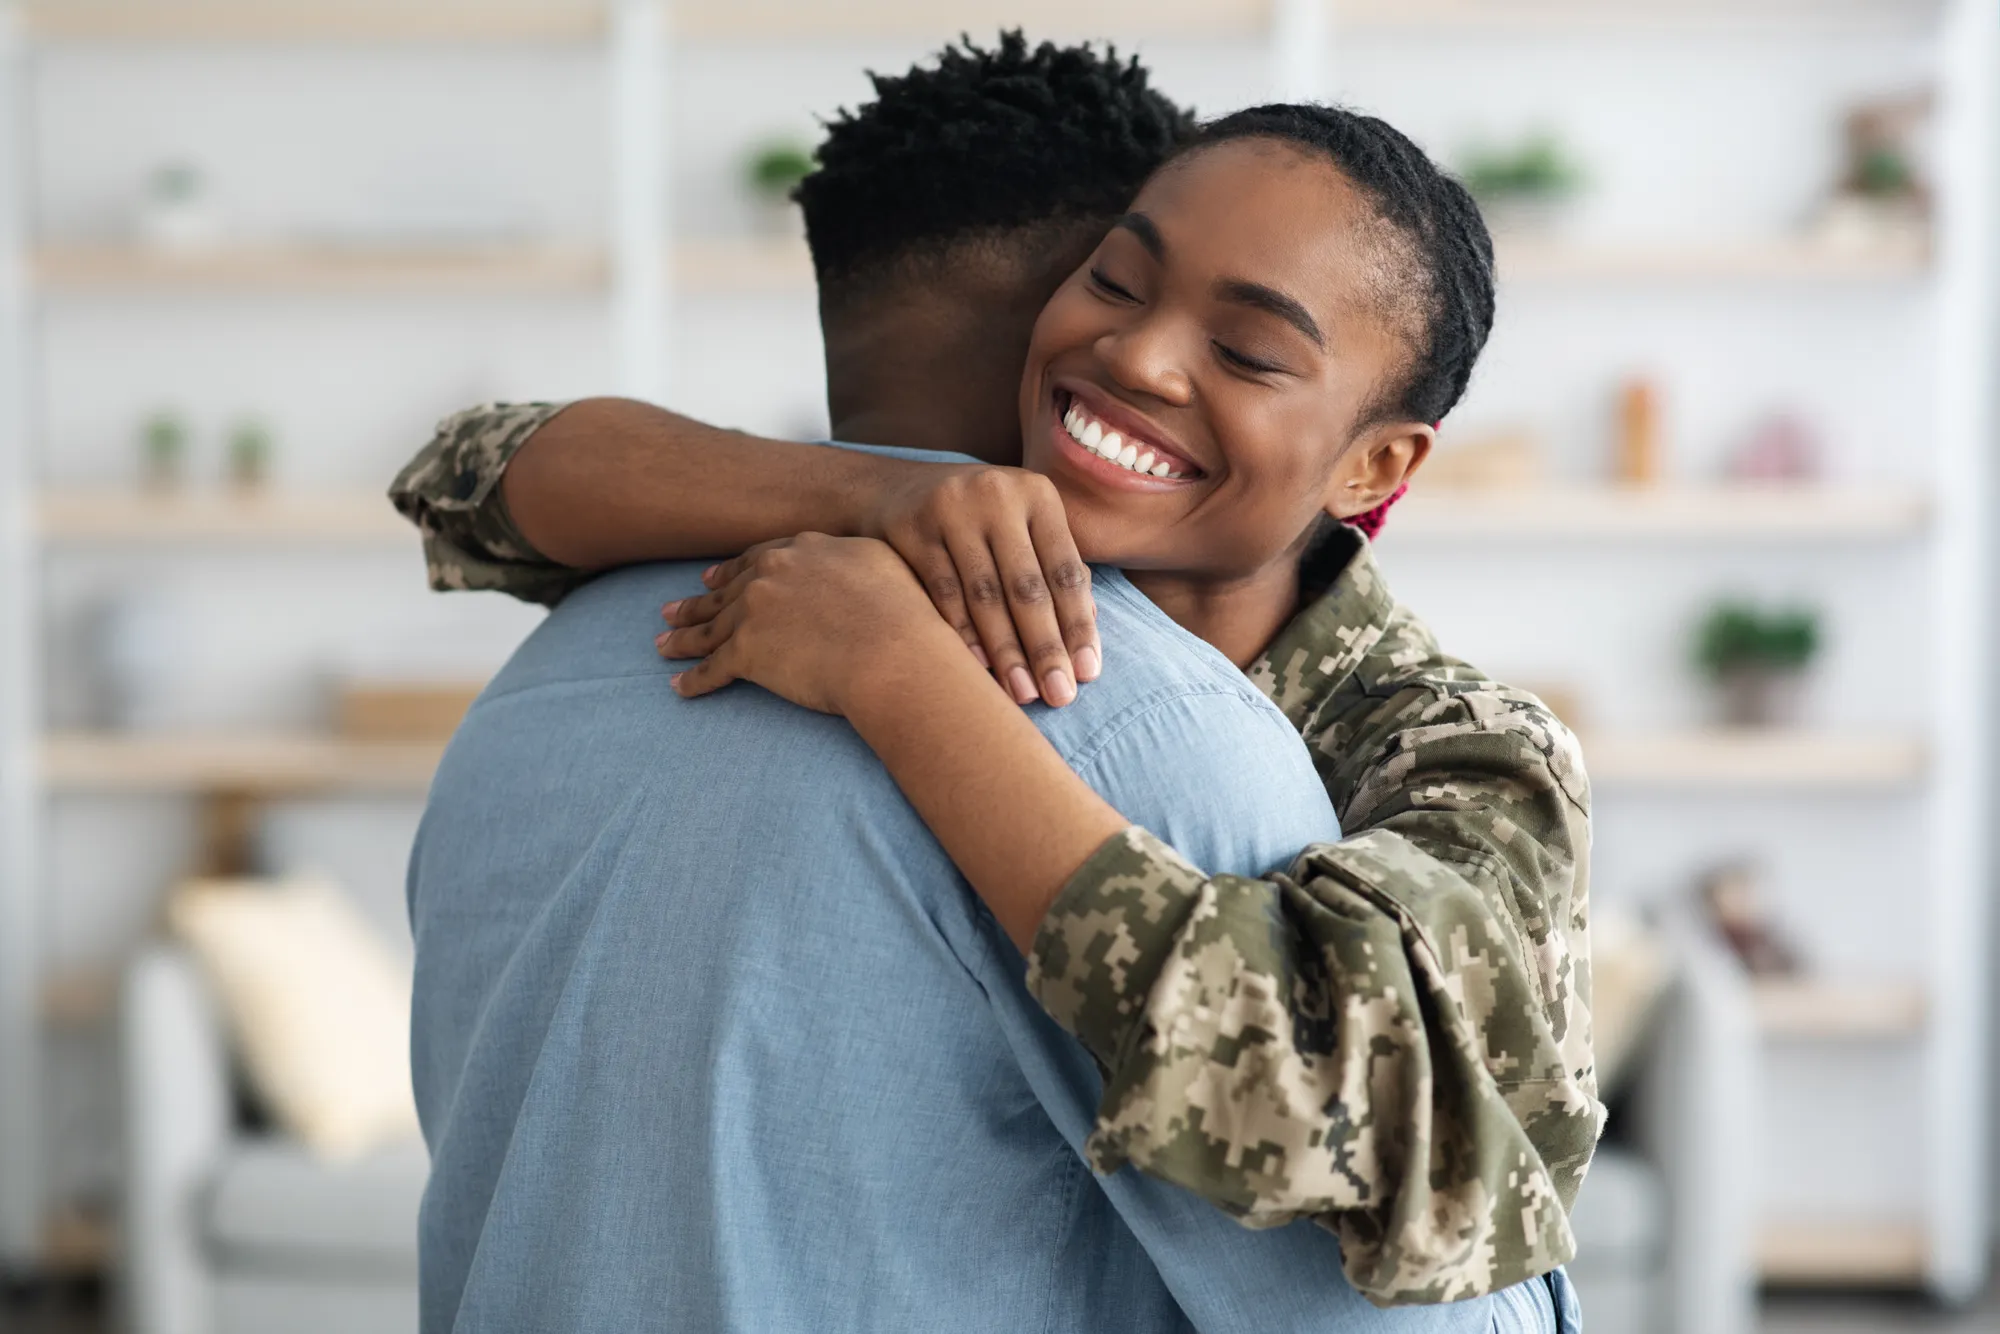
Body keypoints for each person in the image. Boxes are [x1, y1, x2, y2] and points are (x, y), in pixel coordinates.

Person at [395, 36, 1593, 1312]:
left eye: (1246, 351)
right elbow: (471, 482)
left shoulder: (1457, 750)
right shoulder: (857, 557)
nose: (1138, 358)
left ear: (1375, 464)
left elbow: (1330, 1101)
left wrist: (906, 685)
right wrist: (878, 488)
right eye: (1117, 283)